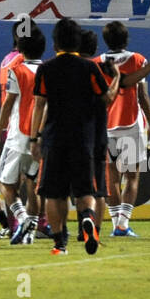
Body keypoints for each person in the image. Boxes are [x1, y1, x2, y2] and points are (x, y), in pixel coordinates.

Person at [30, 18, 118, 256]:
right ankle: (87, 219)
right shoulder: (89, 68)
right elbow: (106, 98)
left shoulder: (46, 69)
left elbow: (39, 104)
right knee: (85, 191)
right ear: (77, 41)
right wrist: (117, 76)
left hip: (54, 137)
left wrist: (33, 138)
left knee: (53, 193)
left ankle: (59, 244)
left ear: (55, 41)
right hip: (83, 138)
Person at [97, 23, 150, 238]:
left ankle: (115, 224)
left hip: (107, 125)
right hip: (130, 124)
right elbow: (142, 95)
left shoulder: (98, 63)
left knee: (112, 177)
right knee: (132, 176)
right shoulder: (138, 60)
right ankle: (122, 224)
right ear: (126, 39)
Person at [0, 22, 43, 244]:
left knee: (4, 183)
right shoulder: (48, 70)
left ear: (21, 49)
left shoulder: (16, 70)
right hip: (40, 137)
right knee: (33, 187)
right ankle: (31, 232)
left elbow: (7, 104)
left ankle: (22, 220)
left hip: (18, 135)